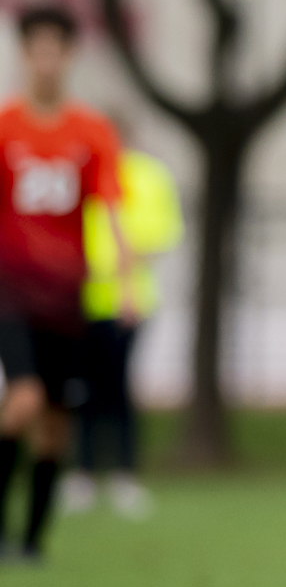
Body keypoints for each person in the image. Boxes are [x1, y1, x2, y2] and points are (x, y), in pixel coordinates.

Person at [0, 4, 134, 563]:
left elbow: (112, 209)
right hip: (11, 290)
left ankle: (31, 542)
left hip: (65, 298)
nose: (48, 61)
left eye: (57, 50)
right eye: (38, 50)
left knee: (54, 426)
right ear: (26, 54)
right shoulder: (5, 126)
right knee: (24, 401)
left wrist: (126, 280)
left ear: (70, 56)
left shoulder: (91, 130)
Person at [63, 122, 182, 518]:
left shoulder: (148, 176)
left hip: (128, 303)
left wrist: (122, 273)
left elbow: (160, 234)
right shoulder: (79, 175)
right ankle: (81, 474)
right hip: (78, 300)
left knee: (118, 389)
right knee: (81, 391)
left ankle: (124, 475)